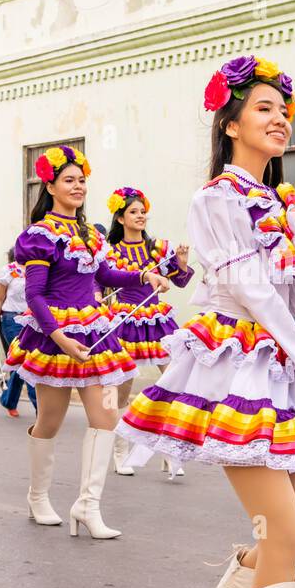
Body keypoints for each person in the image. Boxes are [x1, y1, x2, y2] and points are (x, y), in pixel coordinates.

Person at [115, 56, 295, 588]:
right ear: (230, 125)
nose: (279, 119)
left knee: (284, 538)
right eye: (263, 109)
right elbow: (252, 292)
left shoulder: (276, 204)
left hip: (279, 369)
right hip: (238, 370)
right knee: (286, 536)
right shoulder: (216, 198)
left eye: (283, 110)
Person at [6, 144, 170, 540]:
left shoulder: (90, 233)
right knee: (50, 420)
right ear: (51, 185)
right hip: (54, 335)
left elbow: (107, 277)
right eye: (70, 180)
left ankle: (87, 506)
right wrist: (59, 338)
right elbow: (35, 296)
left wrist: (145, 277)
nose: (78, 187)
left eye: (82, 181)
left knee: (106, 417)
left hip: (95, 333)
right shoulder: (39, 236)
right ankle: (37, 495)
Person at [104, 186, 195, 476]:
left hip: (156, 320)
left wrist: (180, 263)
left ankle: (168, 453)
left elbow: (179, 281)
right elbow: (100, 281)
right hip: (124, 320)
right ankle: (120, 452)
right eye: (134, 212)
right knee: (121, 391)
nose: (141, 216)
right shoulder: (111, 252)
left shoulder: (157, 249)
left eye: (143, 212)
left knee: (174, 383)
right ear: (120, 218)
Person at [0, 250, 36, 417]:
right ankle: (40, 409)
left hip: (34, 320)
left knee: (21, 364)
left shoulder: (38, 269)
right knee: (26, 360)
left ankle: (8, 400)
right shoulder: (9, 270)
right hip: (12, 320)